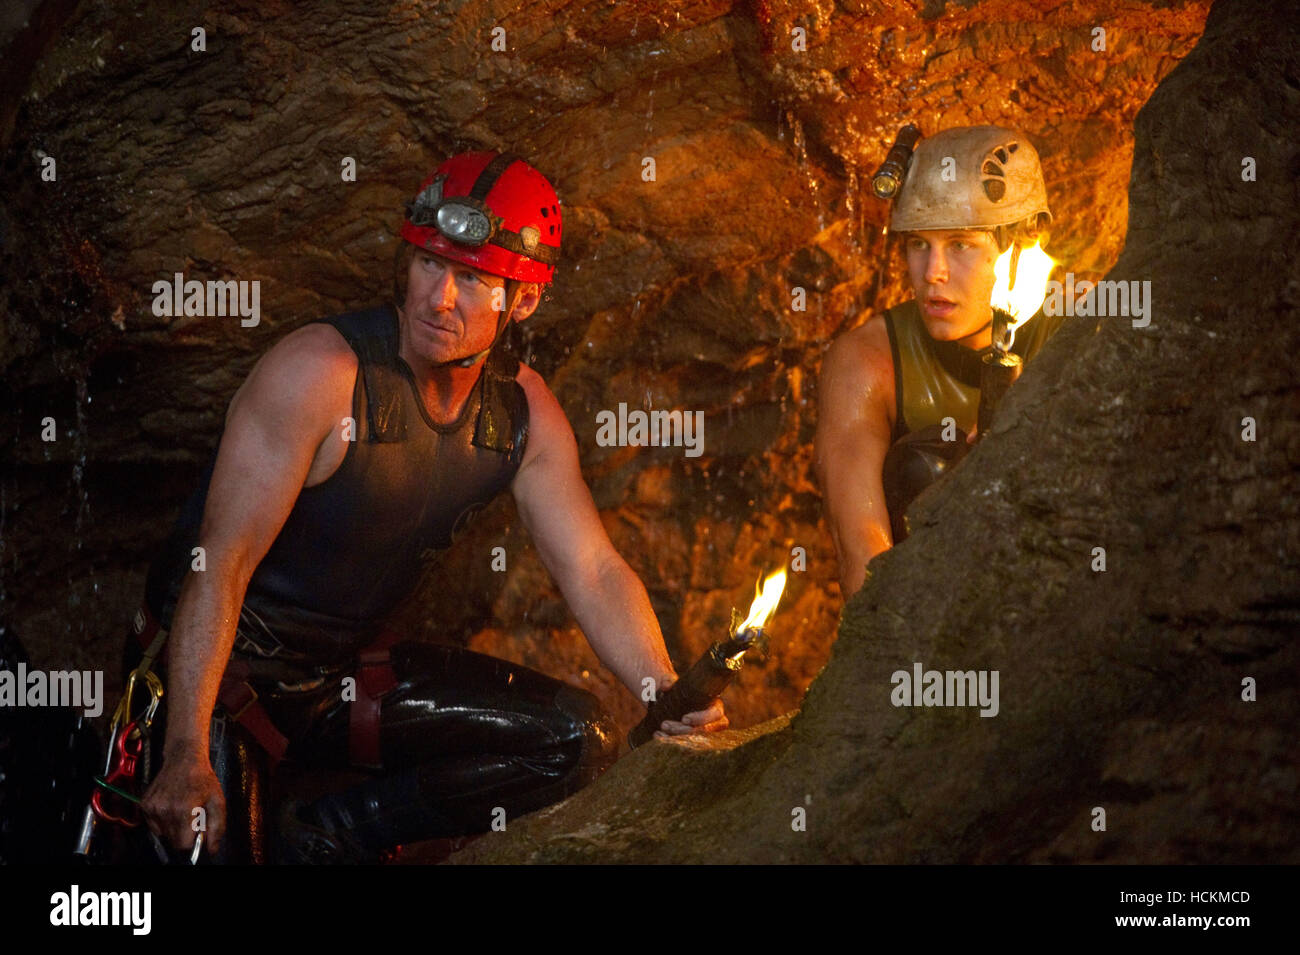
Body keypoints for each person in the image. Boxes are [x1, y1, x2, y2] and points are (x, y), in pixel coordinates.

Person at [125, 151, 726, 863]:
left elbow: (593, 567)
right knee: (199, 840)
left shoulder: (522, 414)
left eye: (471, 279)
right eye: (427, 266)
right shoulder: (320, 374)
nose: (439, 299)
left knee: (575, 739)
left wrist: (666, 690)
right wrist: (186, 751)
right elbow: (217, 561)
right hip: (223, 678)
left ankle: (328, 833)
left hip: (337, 681)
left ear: (523, 299)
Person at [815, 126, 1064, 597]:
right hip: (928, 623)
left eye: (961, 245)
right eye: (918, 245)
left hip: (1057, 613)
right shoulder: (866, 363)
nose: (934, 274)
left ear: (1023, 245)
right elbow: (862, 560)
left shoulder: (1080, 333)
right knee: (926, 467)